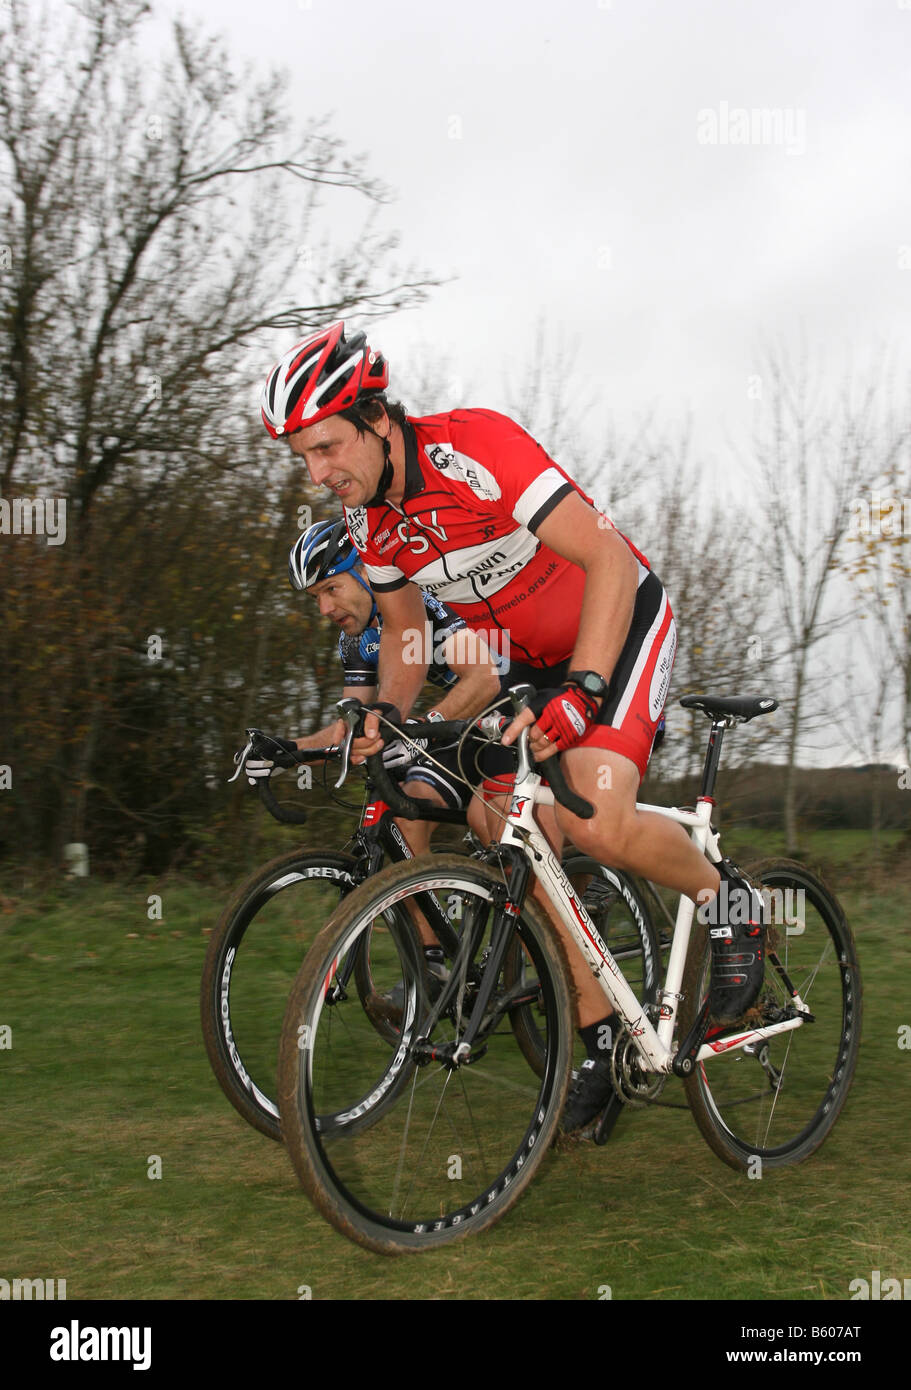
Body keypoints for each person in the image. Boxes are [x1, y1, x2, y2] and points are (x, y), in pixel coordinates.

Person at [260, 322, 766, 1131]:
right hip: (528, 657)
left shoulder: (475, 449)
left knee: (593, 814)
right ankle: (597, 1036)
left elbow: (607, 558)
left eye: (326, 447)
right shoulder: (371, 527)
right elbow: (402, 633)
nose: (318, 473)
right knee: (508, 825)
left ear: (377, 419)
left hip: (618, 622)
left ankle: (729, 901)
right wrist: (385, 717)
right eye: (303, 457)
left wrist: (585, 687)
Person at [244, 515, 500, 954]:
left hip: (518, 707)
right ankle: (433, 962)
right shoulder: (357, 638)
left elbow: (484, 680)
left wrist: (417, 731)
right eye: (315, 598)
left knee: (492, 823)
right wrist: (289, 751)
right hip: (471, 725)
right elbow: (352, 727)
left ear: (365, 571)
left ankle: (569, 898)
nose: (324, 609)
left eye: (330, 589)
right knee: (407, 815)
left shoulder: (426, 601)